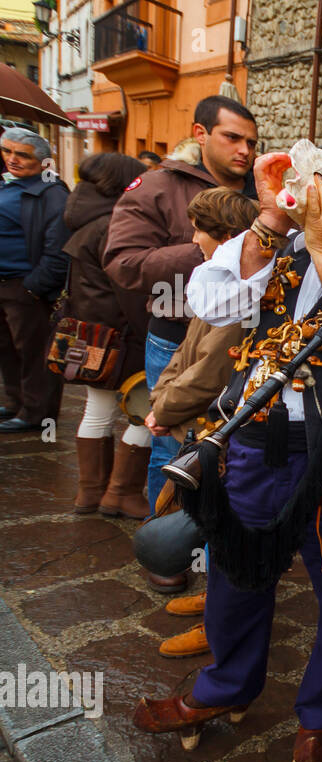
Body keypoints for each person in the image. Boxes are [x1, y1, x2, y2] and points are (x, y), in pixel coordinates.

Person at [131, 140, 322, 762]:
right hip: (256, 442)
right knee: (237, 571)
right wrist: (270, 218)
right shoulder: (281, 246)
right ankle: (227, 687)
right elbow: (213, 304)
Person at [104, 94, 258, 551]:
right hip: (176, 338)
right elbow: (122, 263)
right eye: (232, 138)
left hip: (246, 345)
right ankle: (166, 548)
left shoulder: (260, 191)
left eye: (251, 141)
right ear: (201, 134)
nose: (244, 150)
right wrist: (211, 251)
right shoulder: (158, 186)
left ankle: (215, 559)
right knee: (171, 446)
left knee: (226, 454)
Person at [144, 186, 259, 657]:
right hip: (195, 420)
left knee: (222, 523)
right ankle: (215, 603)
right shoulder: (215, 278)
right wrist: (161, 400)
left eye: (200, 230)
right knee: (210, 523)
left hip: (221, 429)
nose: (194, 239)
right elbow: (185, 353)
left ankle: (220, 627)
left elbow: (211, 372)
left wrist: (165, 409)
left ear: (228, 236)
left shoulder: (239, 291)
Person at [63, 153, 152, 516]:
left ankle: (90, 493)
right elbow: (128, 285)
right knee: (148, 412)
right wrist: (152, 331)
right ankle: (122, 493)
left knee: (97, 410)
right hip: (121, 335)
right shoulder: (112, 223)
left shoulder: (84, 215)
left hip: (92, 335)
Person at [0, 129, 69, 434]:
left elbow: (58, 248)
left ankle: (37, 413)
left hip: (24, 286)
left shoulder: (52, 192)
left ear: (42, 162)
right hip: (5, 283)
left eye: (22, 154)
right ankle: (16, 402)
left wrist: (34, 286)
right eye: (7, 150)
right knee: (8, 350)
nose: (12, 159)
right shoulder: (9, 184)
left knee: (34, 353)